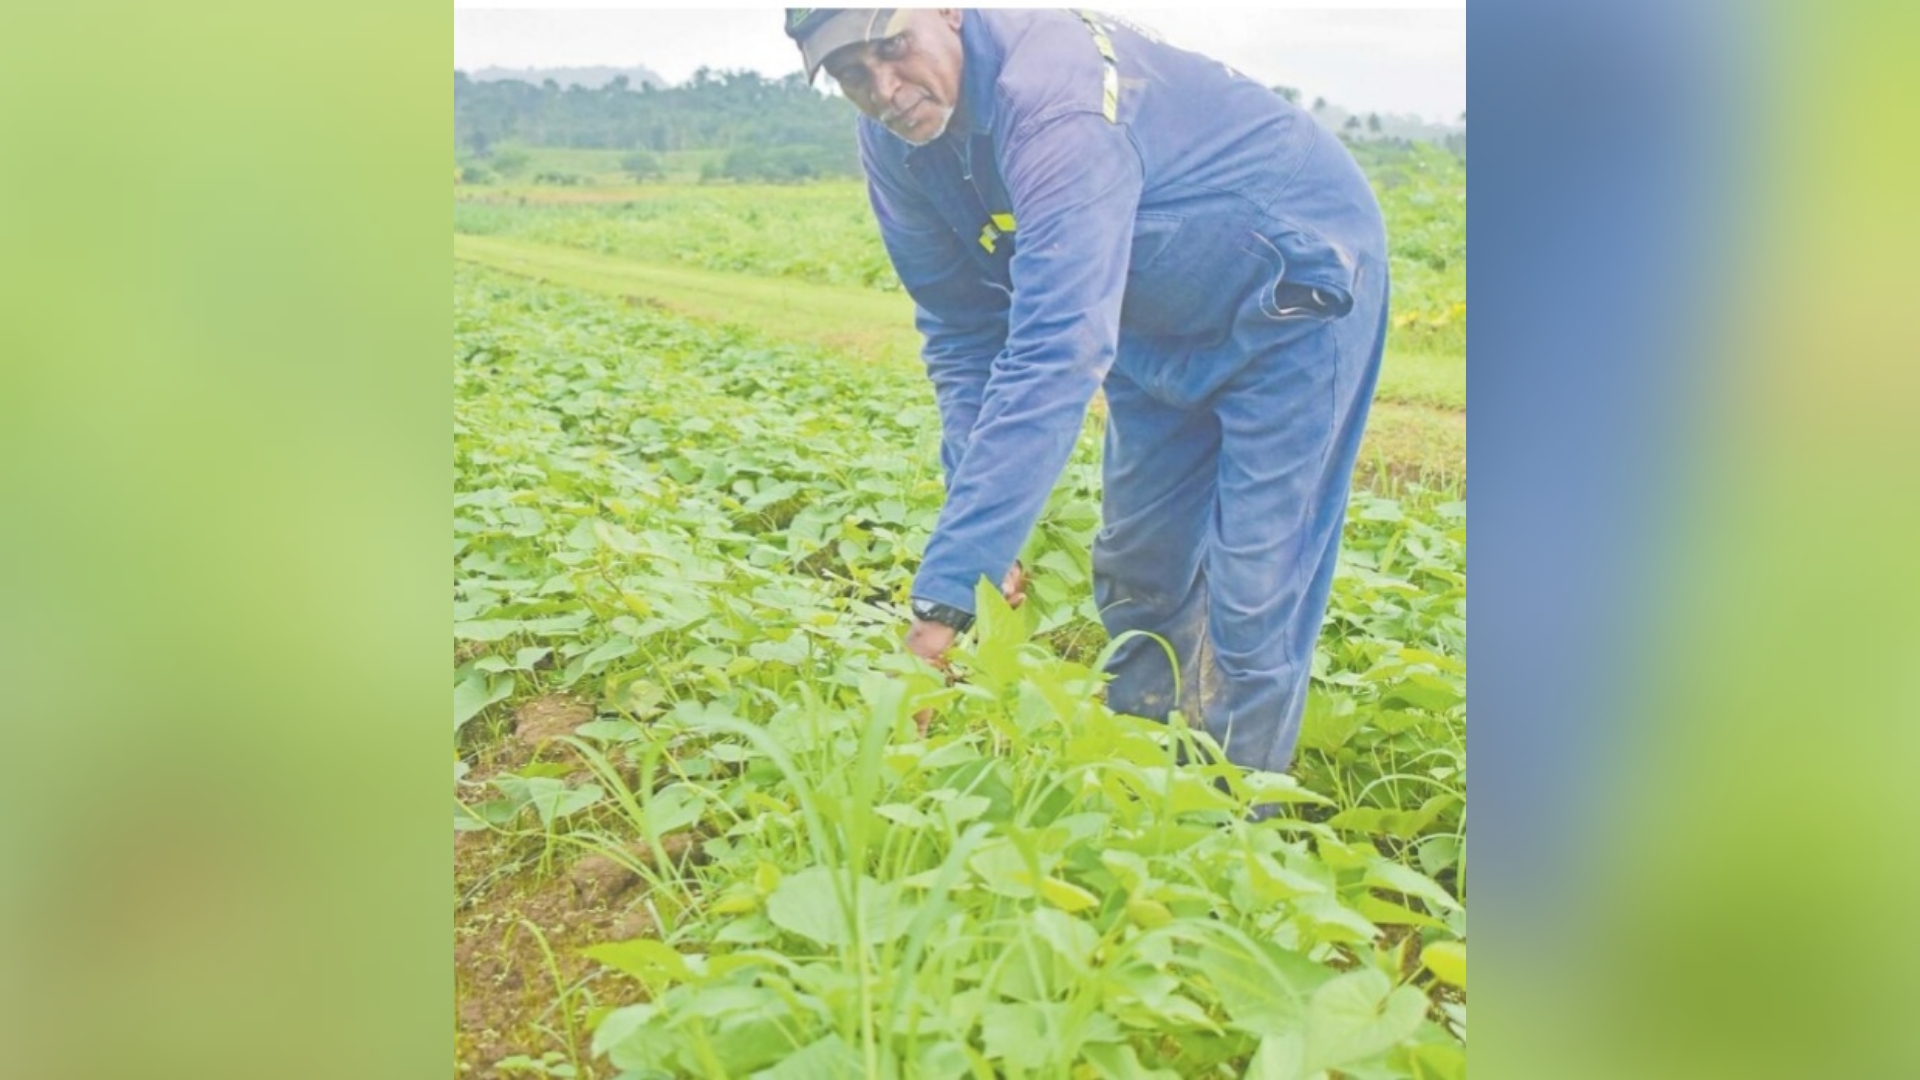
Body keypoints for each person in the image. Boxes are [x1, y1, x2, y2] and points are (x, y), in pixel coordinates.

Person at [784, 9, 1389, 775]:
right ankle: (1140, 780)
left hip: (1290, 298)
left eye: (893, 48)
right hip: (1147, 313)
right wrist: (983, 547)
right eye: (851, 75)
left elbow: (1056, 349)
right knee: (1141, 569)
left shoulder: (1052, 97)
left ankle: (1236, 816)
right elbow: (963, 330)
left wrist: (946, 597)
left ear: (946, 11)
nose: (885, 89)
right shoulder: (897, 147)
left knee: (1254, 591)